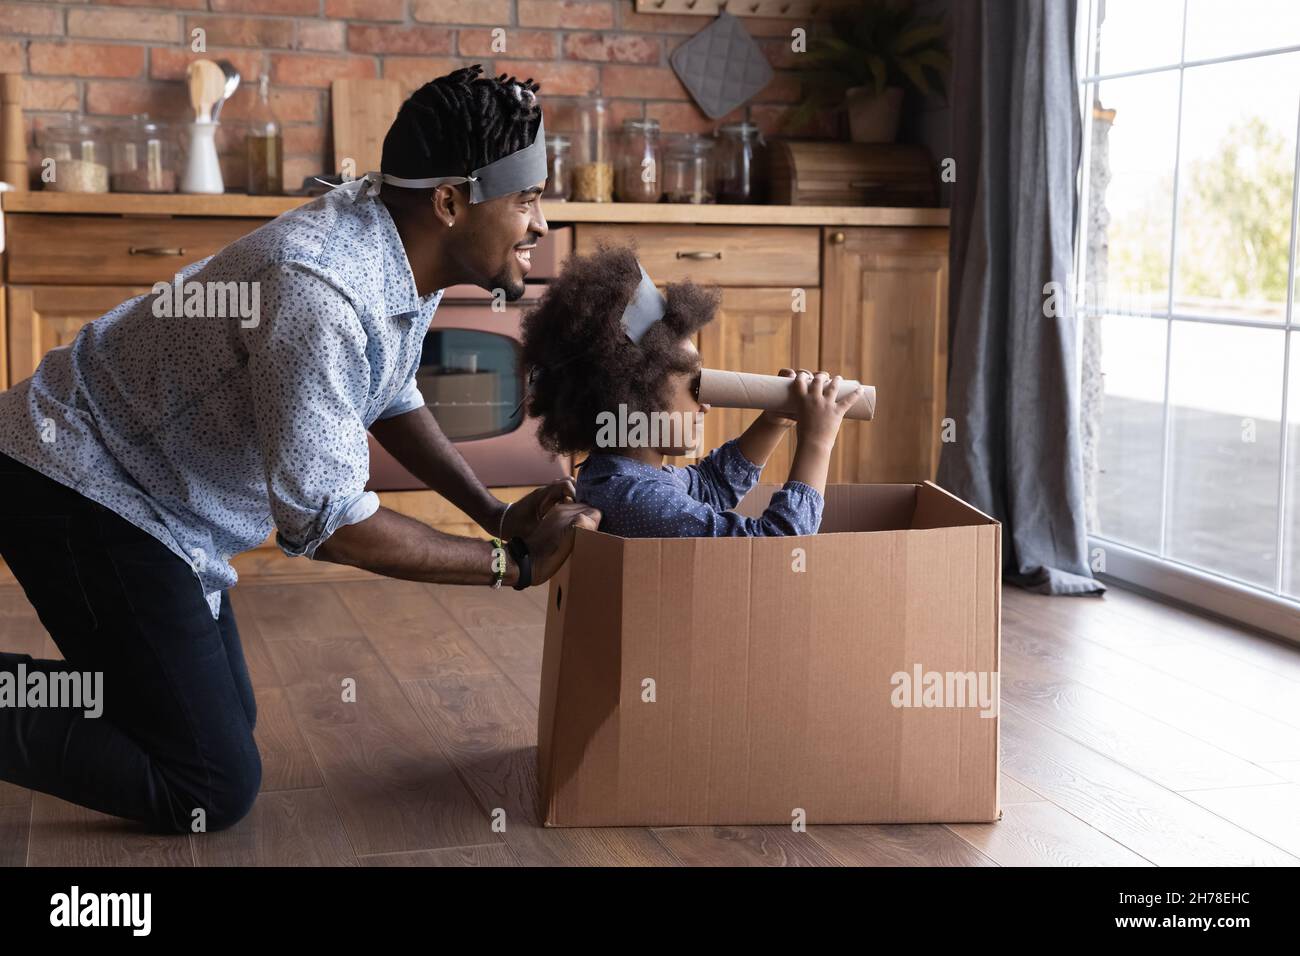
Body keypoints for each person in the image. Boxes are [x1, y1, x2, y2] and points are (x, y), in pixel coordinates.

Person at [0, 65, 599, 833]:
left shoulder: (408, 245)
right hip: (80, 481)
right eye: (526, 200)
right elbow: (332, 523)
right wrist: (510, 568)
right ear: (451, 201)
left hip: (162, 501)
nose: (541, 224)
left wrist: (494, 513)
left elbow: (387, 394)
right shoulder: (321, 287)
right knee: (206, 785)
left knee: (218, 720)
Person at [519, 244, 863, 538]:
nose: (707, 404)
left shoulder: (620, 475)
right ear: (634, 398)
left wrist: (774, 422)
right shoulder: (635, 496)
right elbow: (776, 545)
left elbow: (709, 486)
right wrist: (817, 442)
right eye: (696, 386)